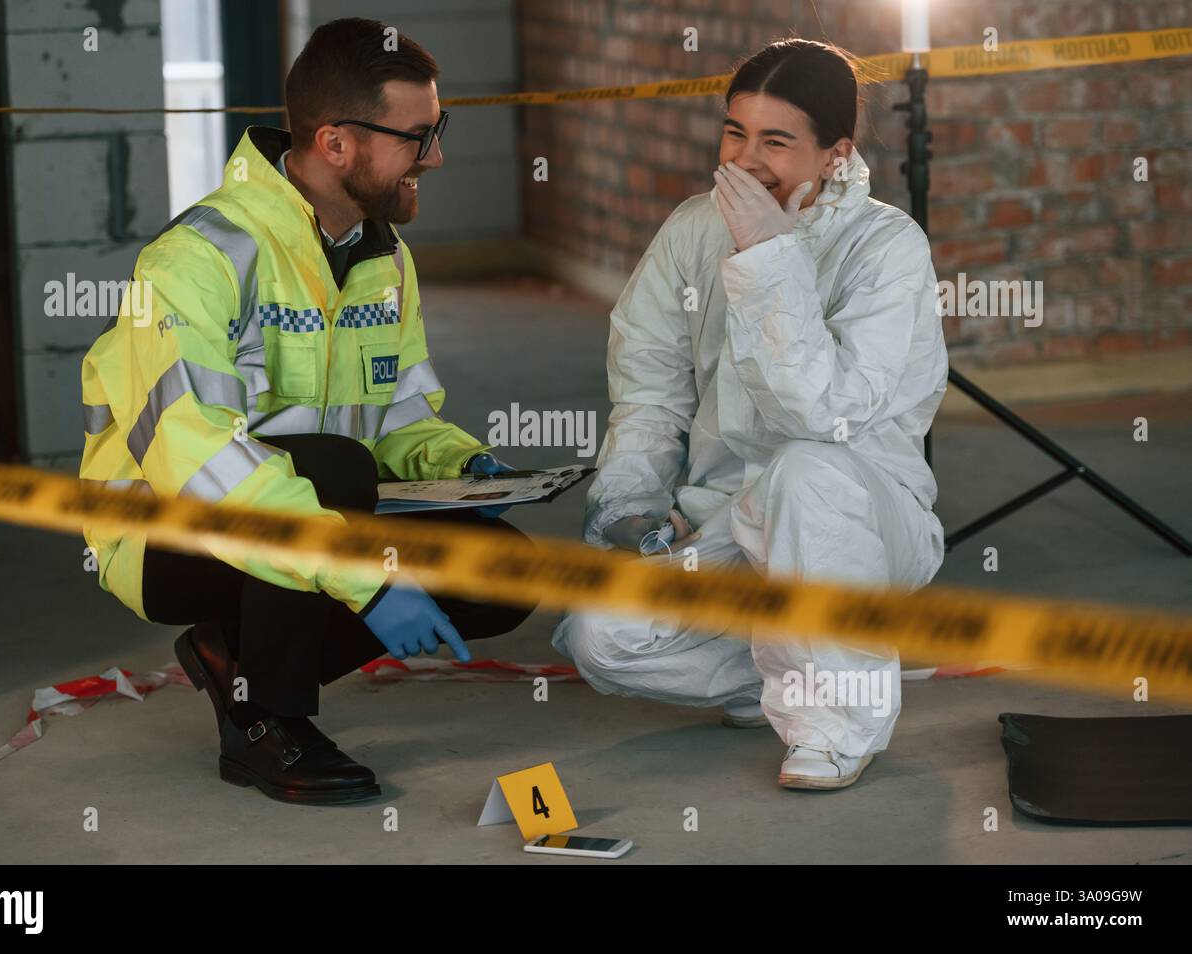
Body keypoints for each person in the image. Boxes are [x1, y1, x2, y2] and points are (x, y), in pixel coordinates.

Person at [78, 18, 535, 806]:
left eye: (438, 131)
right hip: (164, 530)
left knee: (501, 568)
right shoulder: (198, 259)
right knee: (329, 468)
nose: (436, 157)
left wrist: (459, 463)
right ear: (336, 143)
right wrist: (364, 578)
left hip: (308, 513)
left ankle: (234, 657)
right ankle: (267, 724)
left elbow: (395, 416)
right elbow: (201, 468)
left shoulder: (381, 256)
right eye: (417, 137)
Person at [552, 39, 948, 791]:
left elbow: (823, 414)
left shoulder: (887, 247)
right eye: (736, 132)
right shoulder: (692, 230)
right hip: (729, 524)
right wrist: (633, 507)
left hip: (860, 520)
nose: (748, 158)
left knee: (805, 472)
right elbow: (649, 390)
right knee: (603, 638)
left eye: (776, 141)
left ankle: (835, 726)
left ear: (835, 153)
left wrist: (770, 255)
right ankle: (765, 676)